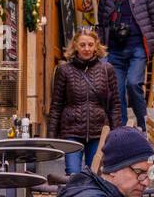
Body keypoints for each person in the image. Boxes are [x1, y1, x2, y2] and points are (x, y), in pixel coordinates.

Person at [97, 0, 154, 130]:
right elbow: (102, 23)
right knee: (116, 92)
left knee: (133, 84)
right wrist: (103, 48)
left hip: (138, 47)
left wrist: (150, 44)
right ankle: (122, 130)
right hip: (115, 50)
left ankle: (144, 125)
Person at [46, 28, 121, 175]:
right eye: (82, 45)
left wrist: (116, 133)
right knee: (73, 173)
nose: (87, 49)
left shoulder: (107, 70)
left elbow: (115, 105)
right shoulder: (64, 70)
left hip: (98, 131)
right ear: (75, 46)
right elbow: (56, 106)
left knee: (94, 175)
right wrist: (51, 138)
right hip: (71, 130)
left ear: (96, 46)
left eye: (90, 44)